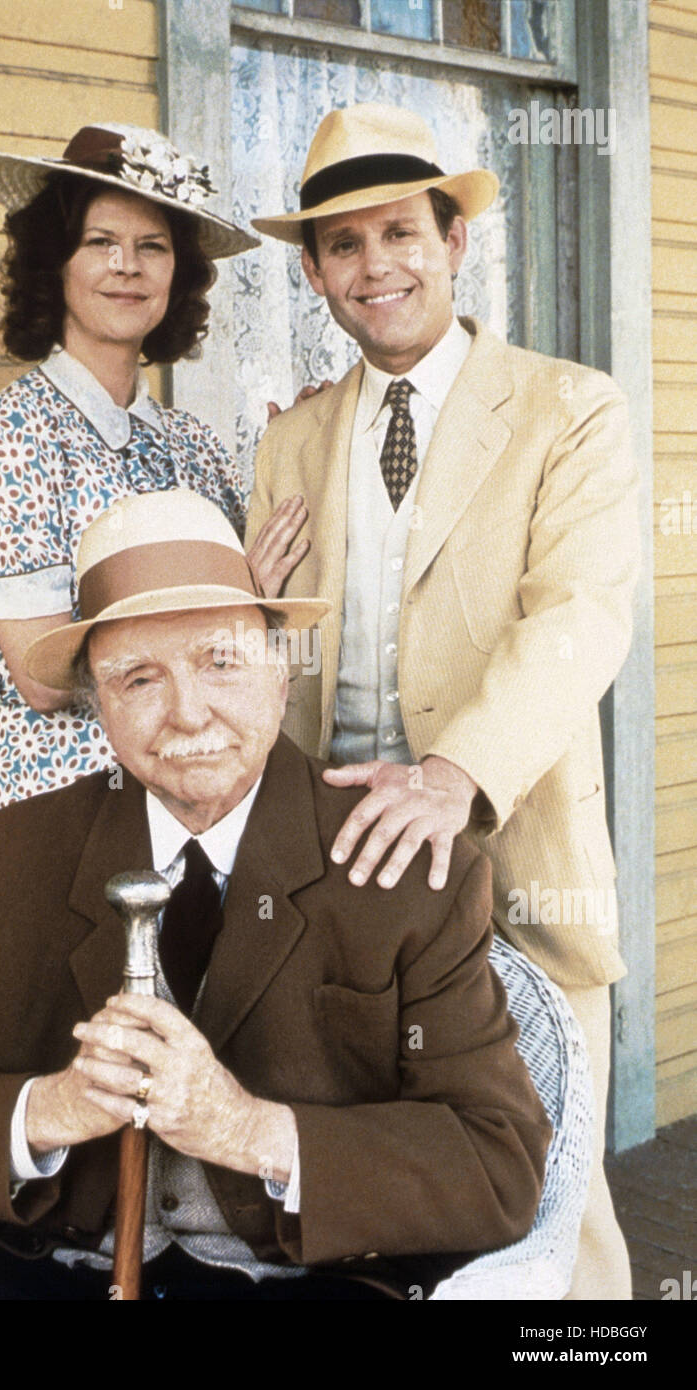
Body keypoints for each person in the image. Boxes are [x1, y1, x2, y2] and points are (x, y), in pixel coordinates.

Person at [0, 489, 550, 1302]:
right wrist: (52, 1110)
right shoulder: (2, 864)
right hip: (52, 1269)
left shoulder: (405, 867)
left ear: (281, 669)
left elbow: (499, 1167)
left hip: (306, 1276)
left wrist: (253, 1132)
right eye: (138, 678)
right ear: (97, 705)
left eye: (220, 661)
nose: (188, 713)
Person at [244, 103, 639, 1300]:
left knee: (550, 1190)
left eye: (400, 233)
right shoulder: (289, 439)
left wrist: (452, 776)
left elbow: (578, 618)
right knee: (363, 1178)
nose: (378, 267)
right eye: (344, 245)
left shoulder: (570, 407)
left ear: (453, 241)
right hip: (333, 873)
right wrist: (246, 621)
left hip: (508, 852)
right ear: (312, 272)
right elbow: (270, 664)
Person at [0, 122, 262, 819]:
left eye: (152, 246)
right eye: (100, 243)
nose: (128, 266)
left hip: (194, 806)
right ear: (54, 264)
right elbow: (44, 676)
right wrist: (239, 605)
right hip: (61, 809)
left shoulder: (194, 446)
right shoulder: (10, 433)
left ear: (178, 275)